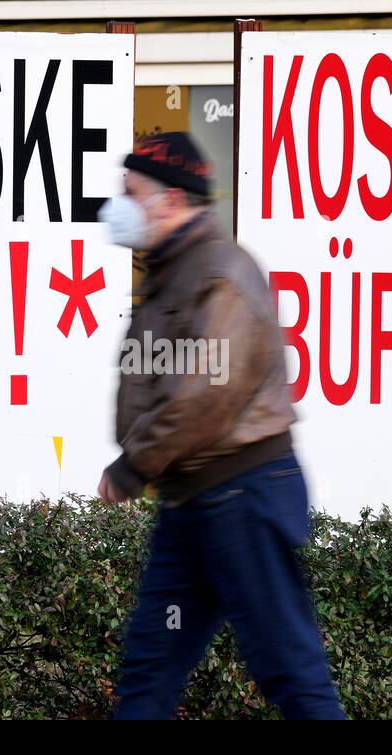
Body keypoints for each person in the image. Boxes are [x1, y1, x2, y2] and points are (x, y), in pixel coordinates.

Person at [96, 132, 346, 720]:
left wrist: (135, 464)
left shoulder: (222, 272)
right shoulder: (170, 272)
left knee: (289, 669)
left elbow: (208, 394)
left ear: (170, 200)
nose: (120, 205)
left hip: (242, 491)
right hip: (192, 498)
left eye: (131, 192)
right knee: (148, 671)